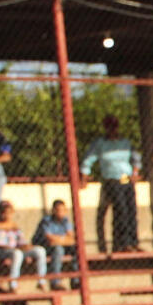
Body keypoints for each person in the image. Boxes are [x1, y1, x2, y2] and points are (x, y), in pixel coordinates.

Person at [83, 115, 140, 252]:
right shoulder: (101, 144)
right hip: (112, 180)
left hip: (126, 179)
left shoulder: (125, 143)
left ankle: (133, 241)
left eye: (115, 127)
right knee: (121, 209)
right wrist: (84, 175)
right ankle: (122, 243)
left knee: (131, 209)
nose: (113, 130)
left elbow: (136, 157)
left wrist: (135, 172)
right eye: (110, 127)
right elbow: (88, 159)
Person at [32, 199, 76, 287]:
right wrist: (64, 239)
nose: (61, 213)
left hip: (62, 245)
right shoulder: (46, 221)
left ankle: (76, 280)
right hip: (45, 247)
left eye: (63, 210)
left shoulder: (66, 221)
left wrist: (58, 239)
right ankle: (55, 281)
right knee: (58, 249)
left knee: (76, 249)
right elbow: (50, 240)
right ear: (53, 211)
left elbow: (72, 239)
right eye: (58, 210)